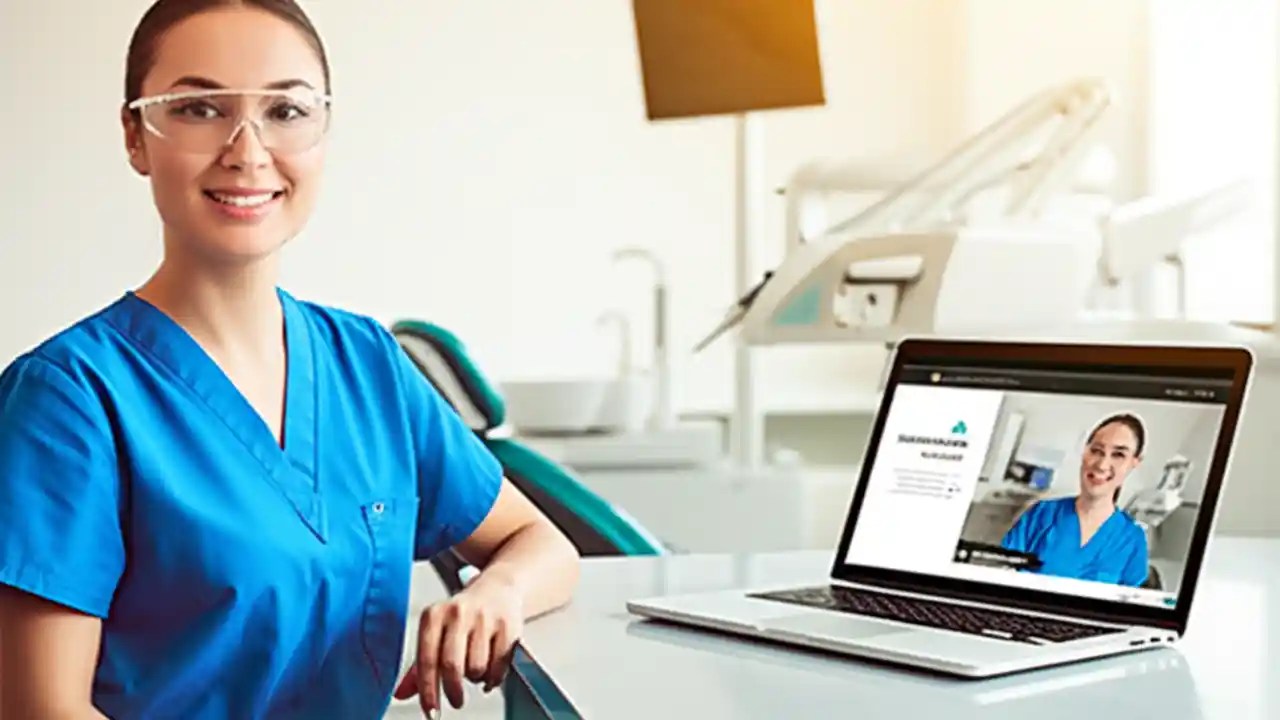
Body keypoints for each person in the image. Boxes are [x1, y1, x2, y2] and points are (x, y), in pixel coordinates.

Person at [0, 1, 580, 718]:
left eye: (285, 111)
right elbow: (44, 709)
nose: (247, 151)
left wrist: (496, 592)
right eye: (199, 109)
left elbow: (539, 542)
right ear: (135, 137)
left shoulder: (369, 365)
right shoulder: (68, 399)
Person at [1000, 413, 1150, 588]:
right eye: (1096, 451)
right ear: (1085, 453)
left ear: (1134, 463)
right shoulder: (1041, 515)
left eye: (1118, 455)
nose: (1102, 465)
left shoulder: (1132, 540)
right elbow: (1002, 575)